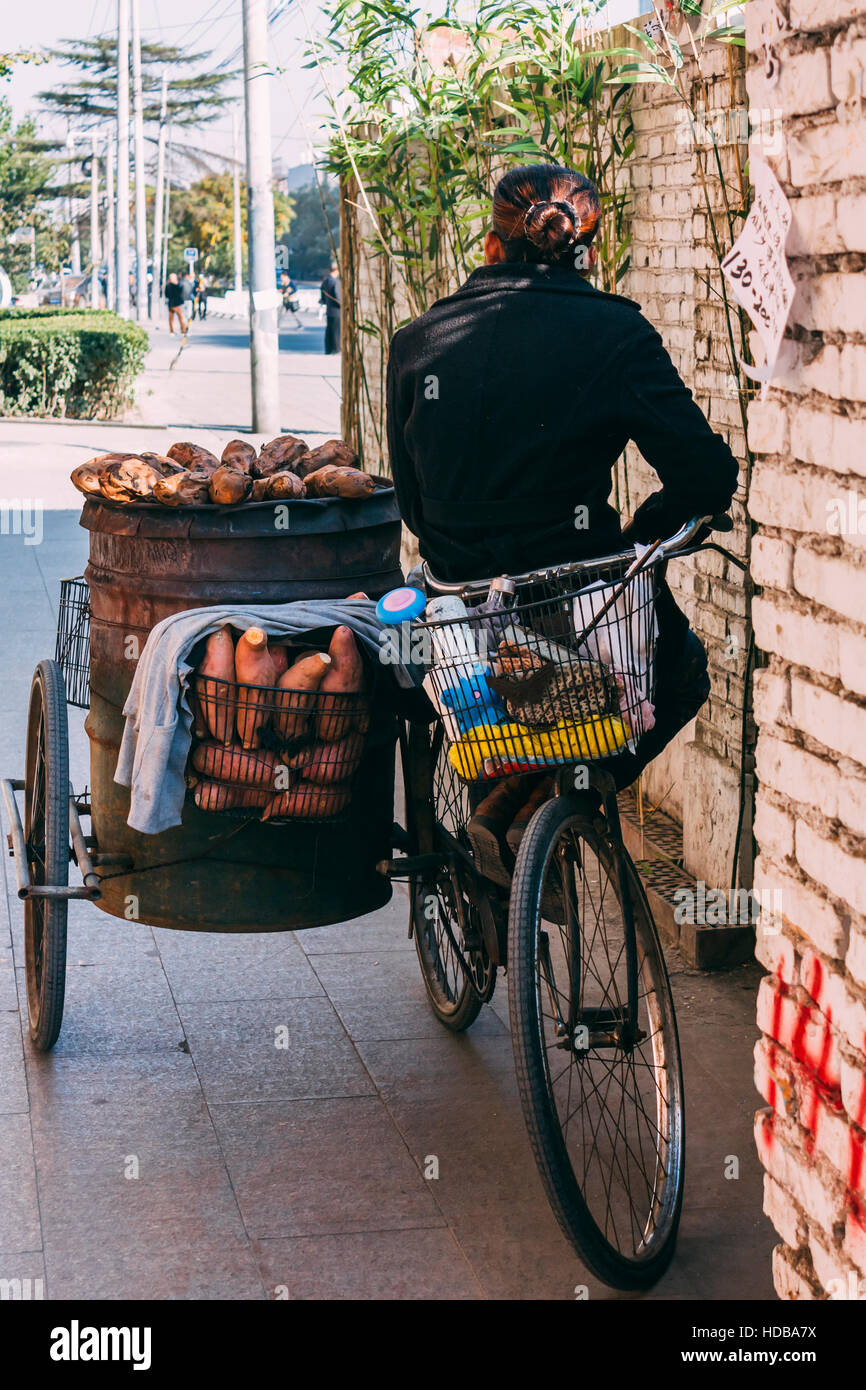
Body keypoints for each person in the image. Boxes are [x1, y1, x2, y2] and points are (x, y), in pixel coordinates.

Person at [386, 162, 738, 872]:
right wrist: (646, 533)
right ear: (589, 252)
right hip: (582, 597)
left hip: (459, 601)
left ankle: (511, 804)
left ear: (491, 245)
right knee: (681, 677)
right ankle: (540, 797)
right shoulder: (615, 333)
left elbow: (413, 503)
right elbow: (706, 476)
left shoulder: (418, 340)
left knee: (487, 705)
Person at [319, 261, 341, 354]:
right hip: (337, 310)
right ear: (337, 271)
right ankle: (336, 349)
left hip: (329, 310)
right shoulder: (336, 282)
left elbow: (322, 298)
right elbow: (337, 296)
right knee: (336, 331)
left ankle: (328, 349)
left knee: (329, 330)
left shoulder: (325, 282)